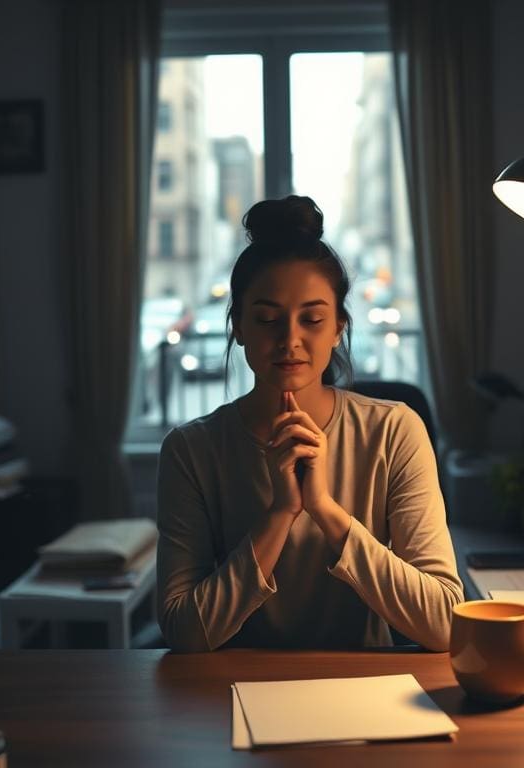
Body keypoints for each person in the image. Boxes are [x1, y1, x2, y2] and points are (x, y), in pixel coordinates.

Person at [156, 195, 463, 652]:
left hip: (365, 691)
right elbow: (184, 632)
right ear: (238, 326)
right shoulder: (191, 450)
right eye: (266, 319)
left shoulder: (395, 431)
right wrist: (281, 513)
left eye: (313, 319)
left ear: (339, 325)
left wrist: (324, 508)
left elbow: (445, 623)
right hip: (234, 693)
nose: (290, 340)